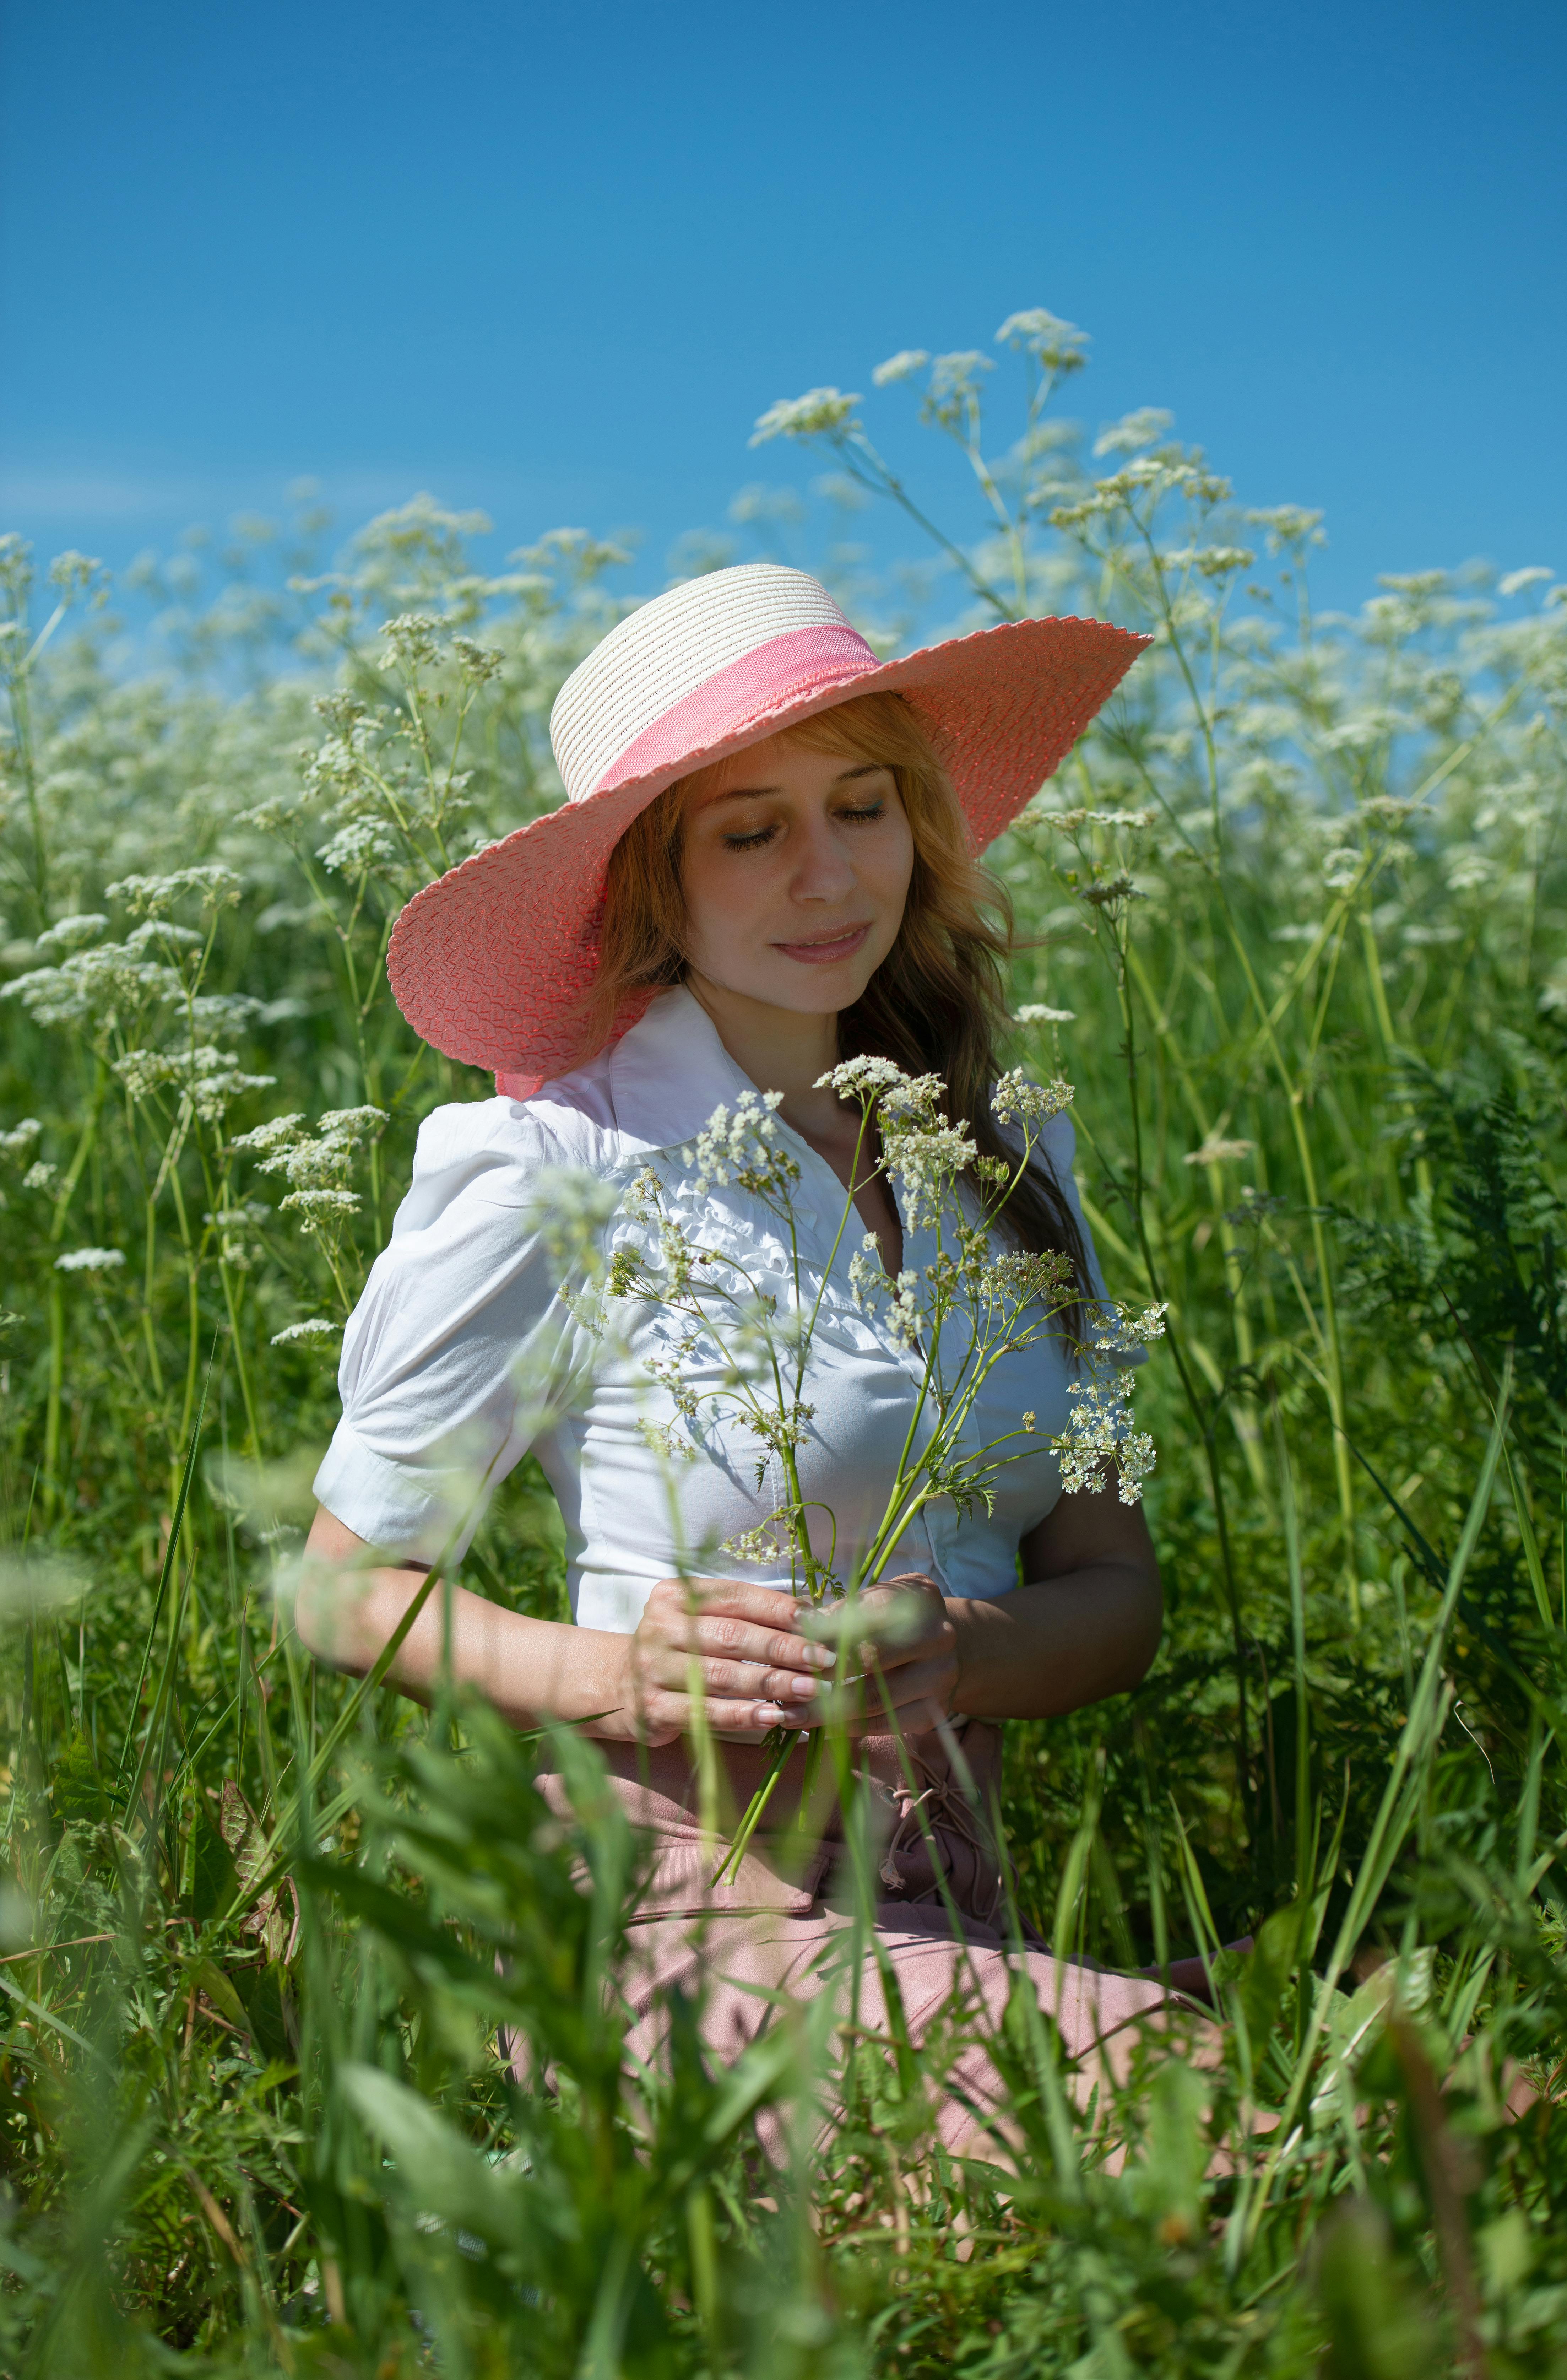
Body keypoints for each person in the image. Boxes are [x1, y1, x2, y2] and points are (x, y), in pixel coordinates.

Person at [298, 563, 1198, 2155]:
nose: (824, 873)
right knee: (1230, 2129)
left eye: (860, 807)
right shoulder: (556, 1167)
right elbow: (342, 1588)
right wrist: (614, 1673)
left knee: (1417, 2092)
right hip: (682, 1928)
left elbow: (1113, 1592)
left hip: (956, 1914)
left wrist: (971, 1645)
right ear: (655, 883)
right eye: (750, 829)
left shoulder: (1006, 1167)